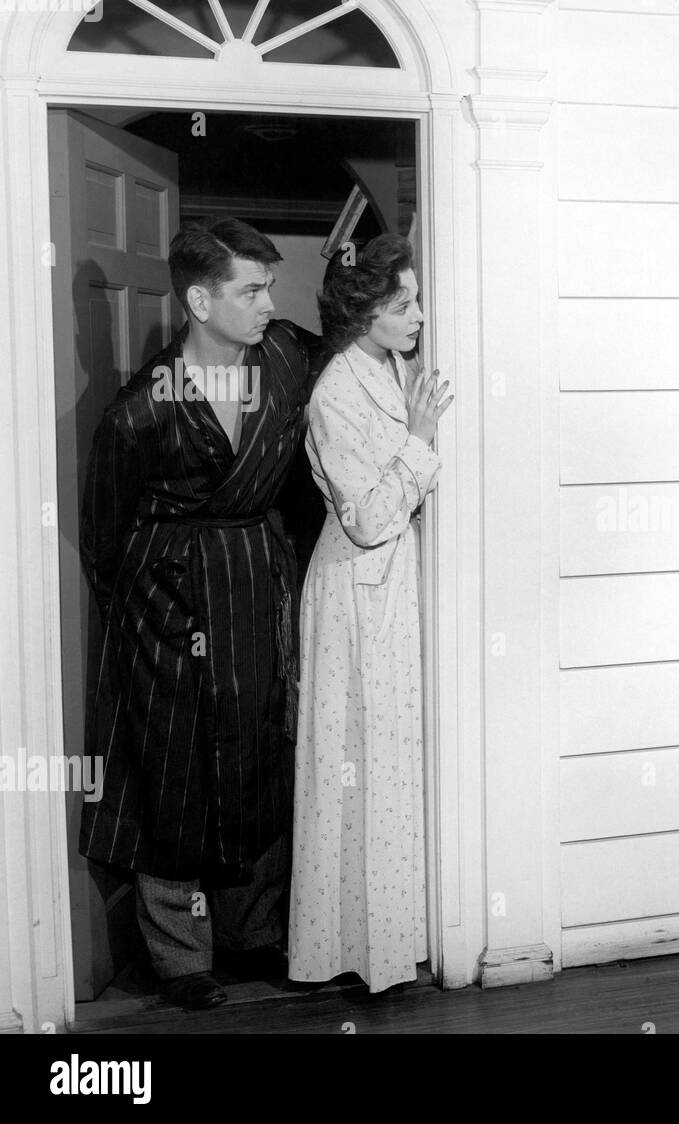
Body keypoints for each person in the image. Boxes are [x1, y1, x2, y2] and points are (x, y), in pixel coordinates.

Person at [80, 217, 319, 1009]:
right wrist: (151, 608)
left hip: (254, 577)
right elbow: (104, 538)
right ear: (198, 299)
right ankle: (180, 958)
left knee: (259, 753)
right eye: (250, 289)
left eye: (267, 287)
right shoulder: (139, 410)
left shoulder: (284, 356)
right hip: (166, 601)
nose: (267, 303)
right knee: (174, 770)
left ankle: (254, 935)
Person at [288, 234, 451, 993]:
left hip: (393, 590)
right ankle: (341, 950)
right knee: (352, 772)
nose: (418, 314)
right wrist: (419, 444)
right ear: (362, 312)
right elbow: (370, 516)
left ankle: (390, 941)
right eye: (402, 304)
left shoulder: (395, 366)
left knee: (389, 769)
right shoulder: (333, 393)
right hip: (355, 593)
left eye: (415, 299)